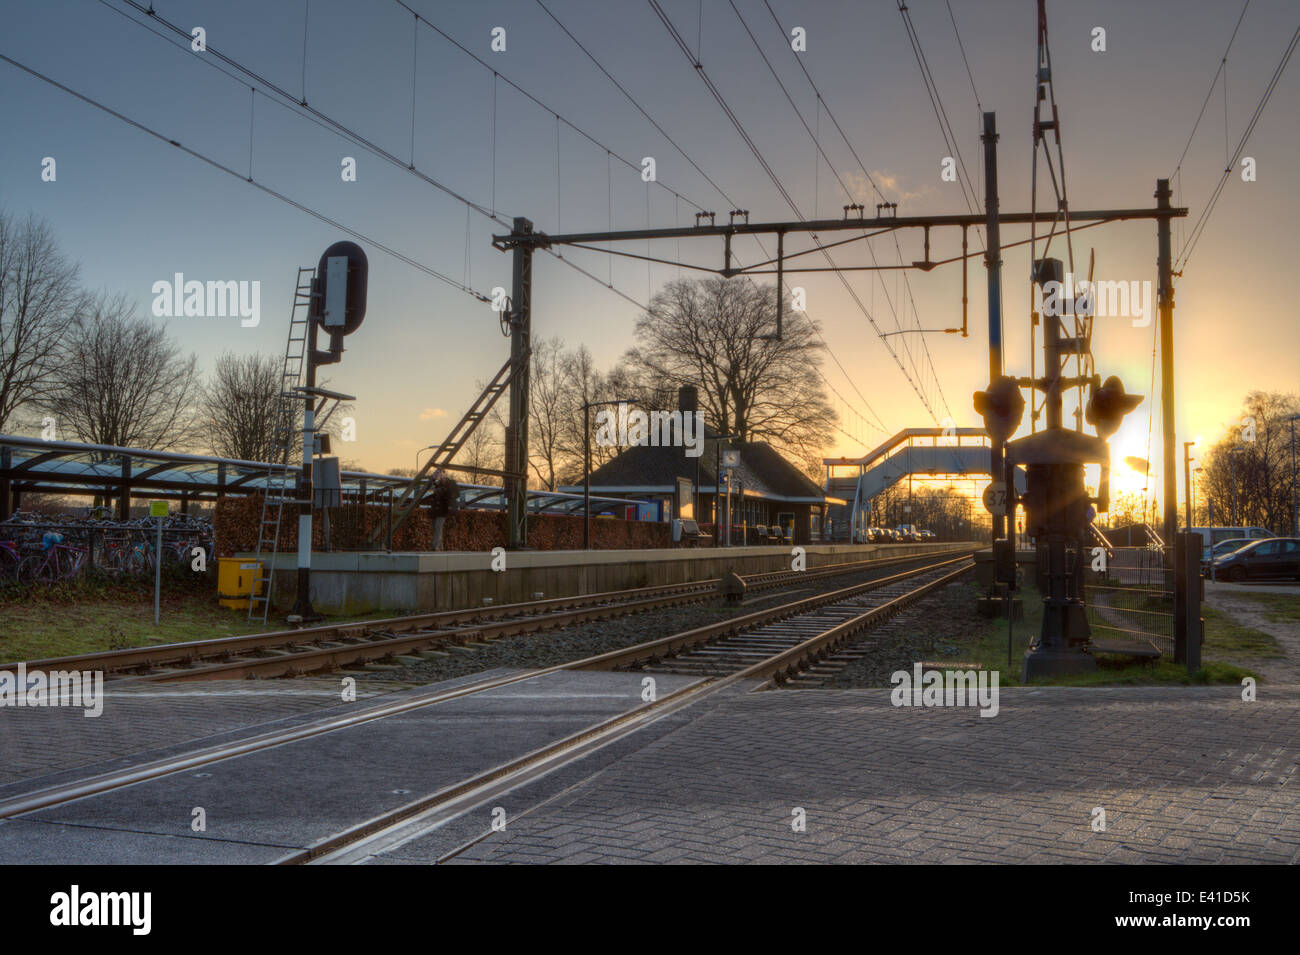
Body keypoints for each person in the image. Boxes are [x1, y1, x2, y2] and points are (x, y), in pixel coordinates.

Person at [429, 468, 459, 550]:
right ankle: (440, 548)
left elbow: (455, 494)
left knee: (438, 528)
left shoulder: (450, 483)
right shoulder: (436, 483)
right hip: (436, 510)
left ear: (444, 474)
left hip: (444, 510)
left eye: (439, 473)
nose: (437, 475)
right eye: (436, 473)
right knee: (436, 529)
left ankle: (435, 547)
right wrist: (434, 481)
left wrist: (442, 489)